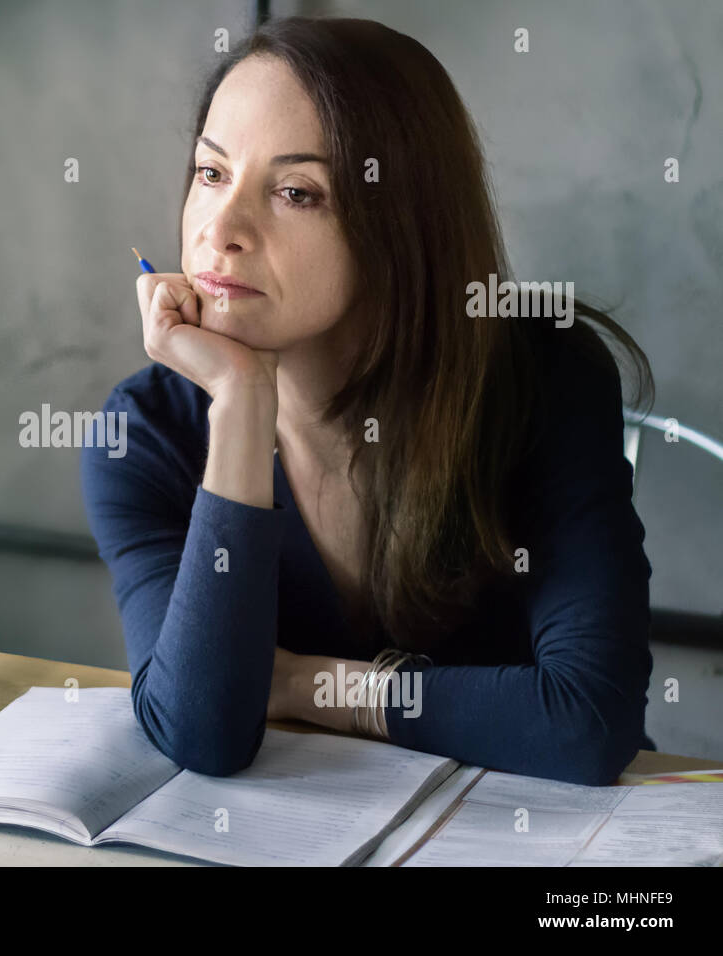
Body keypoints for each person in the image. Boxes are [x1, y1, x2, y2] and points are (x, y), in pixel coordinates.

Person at [80, 16, 656, 787]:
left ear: (399, 221)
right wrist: (242, 404)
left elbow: (585, 721)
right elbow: (201, 731)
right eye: (212, 174)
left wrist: (302, 684)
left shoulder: (542, 378)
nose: (222, 229)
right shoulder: (144, 432)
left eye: (295, 192)